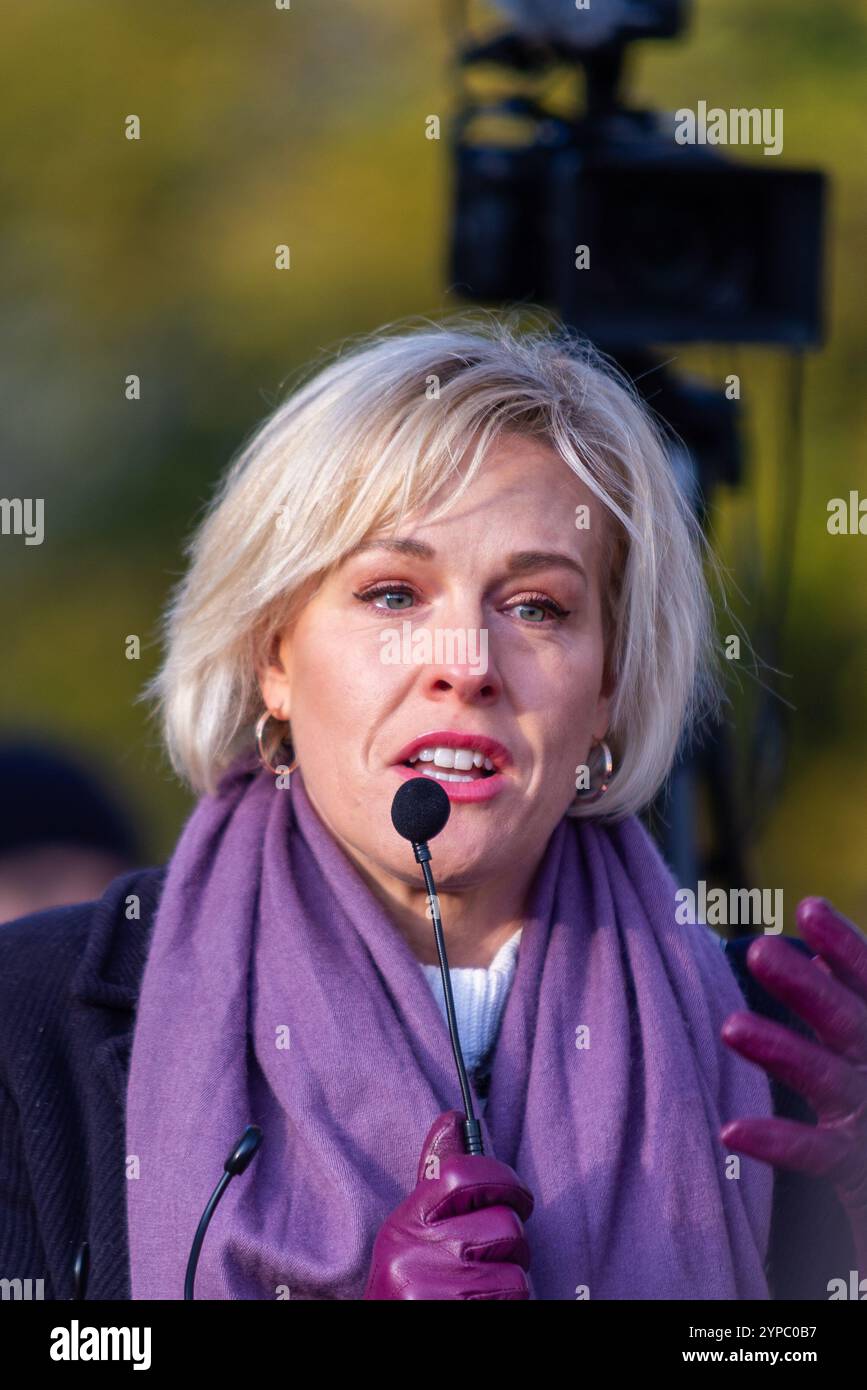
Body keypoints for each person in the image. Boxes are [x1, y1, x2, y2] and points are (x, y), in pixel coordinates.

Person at [0, 311, 864, 1301]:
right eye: (395, 594)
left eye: (537, 606)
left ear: (611, 689)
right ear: (272, 652)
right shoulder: (29, 1020)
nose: (466, 664)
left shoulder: (791, 1049)